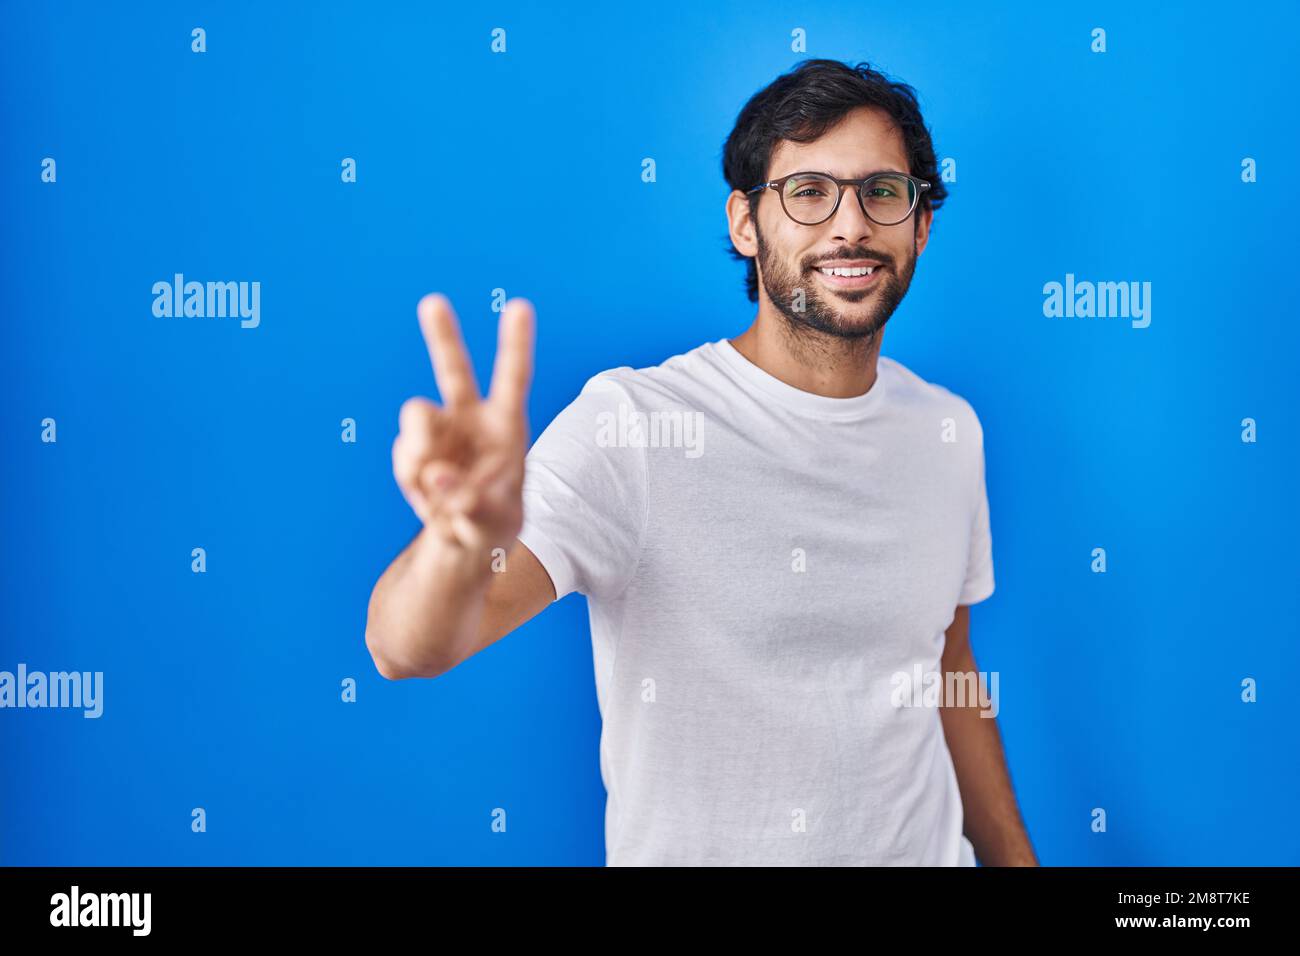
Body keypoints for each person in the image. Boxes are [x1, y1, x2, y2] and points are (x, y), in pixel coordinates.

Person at [366, 58, 1038, 866]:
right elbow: (405, 648)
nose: (850, 226)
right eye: (809, 191)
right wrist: (459, 542)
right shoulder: (634, 426)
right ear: (745, 224)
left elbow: (946, 668)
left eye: (882, 192)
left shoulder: (948, 431)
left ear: (920, 224)